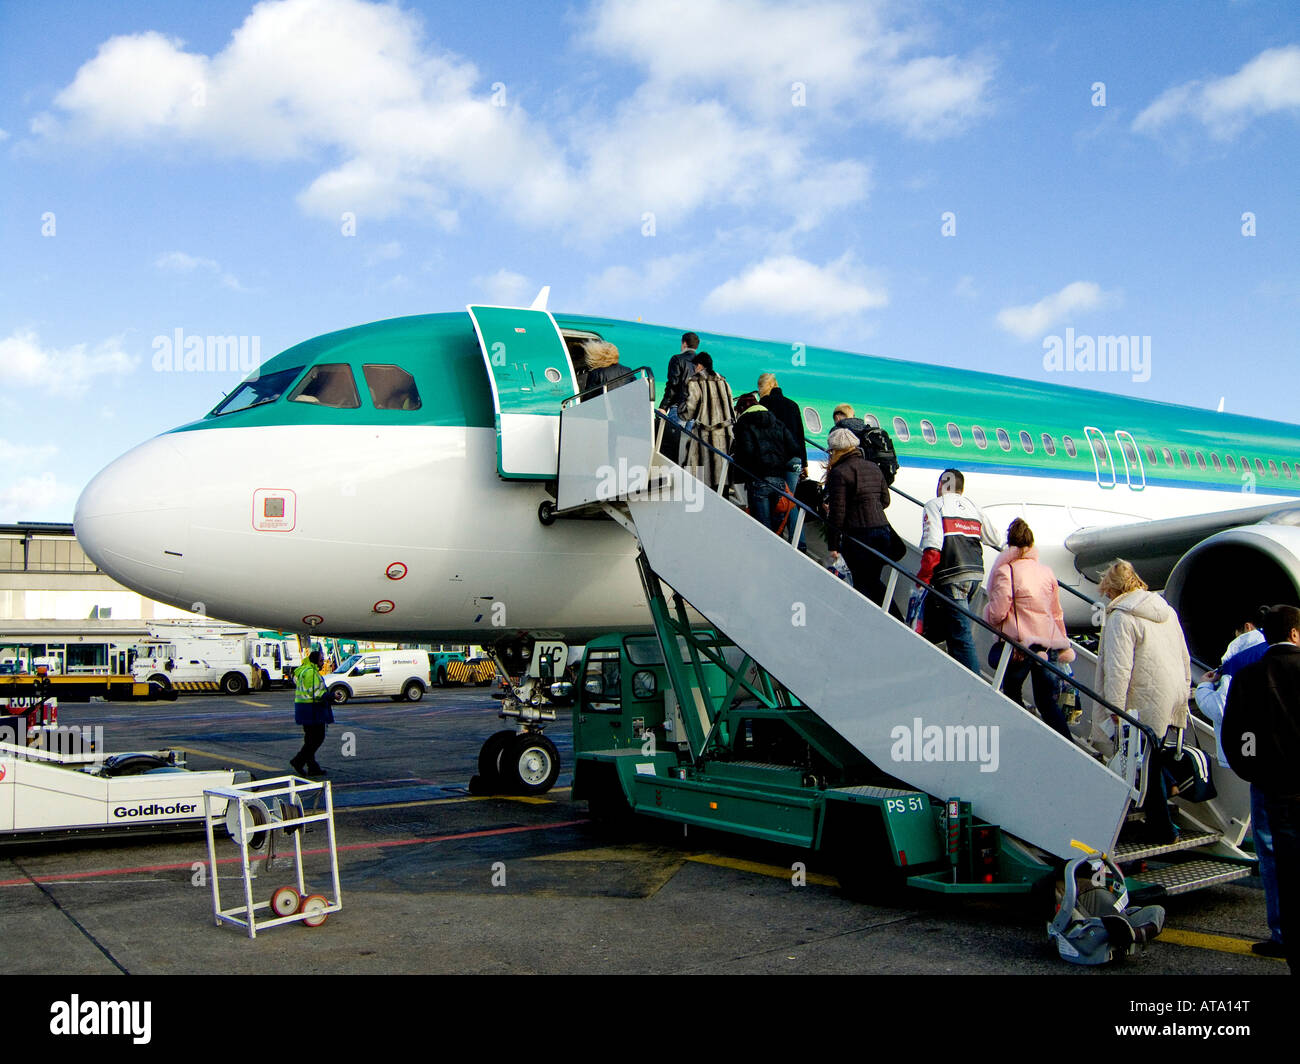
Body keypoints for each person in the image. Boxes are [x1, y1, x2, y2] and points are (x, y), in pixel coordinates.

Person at [1195, 610, 1281, 957]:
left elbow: (1226, 712)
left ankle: (1282, 934)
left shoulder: (1239, 664)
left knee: (1273, 855)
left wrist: (1203, 687)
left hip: (1268, 776)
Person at [1223, 604, 1300, 972]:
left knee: (1276, 860)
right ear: (1295, 634)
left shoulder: (1249, 677)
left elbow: (1241, 735)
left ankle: (1283, 932)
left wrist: (1253, 765)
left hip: (1272, 785)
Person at [1094, 559, 1192, 842]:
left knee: (1142, 763)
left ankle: (1164, 828)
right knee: (1154, 755)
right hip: (1170, 692)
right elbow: (1183, 655)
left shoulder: (1121, 616)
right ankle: (1169, 788)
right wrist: (1183, 691)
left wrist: (1115, 708)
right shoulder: (1167, 611)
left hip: (1143, 697)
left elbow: (1119, 668)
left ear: (1113, 590)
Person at [984, 518, 1075, 740]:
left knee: (1011, 693)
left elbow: (998, 611)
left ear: (1010, 543)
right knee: (1047, 702)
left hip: (1020, 646)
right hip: (1048, 643)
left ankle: (1021, 737)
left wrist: (987, 612)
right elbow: (1056, 612)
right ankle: (1065, 743)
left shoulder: (1007, 571)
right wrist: (1063, 642)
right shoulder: (1046, 572)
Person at [918, 469, 1001, 674]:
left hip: (952, 574)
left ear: (940, 485)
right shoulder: (973, 507)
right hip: (975, 575)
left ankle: (974, 683)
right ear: (961, 489)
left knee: (960, 635)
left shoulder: (934, 505)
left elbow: (933, 547)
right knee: (950, 628)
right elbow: (996, 539)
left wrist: (922, 579)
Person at [824, 426, 891, 605]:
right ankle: (892, 618)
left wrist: (833, 545)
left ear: (836, 451)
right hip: (883, 532)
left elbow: (837, 513)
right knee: (873, 579)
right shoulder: (873, 467)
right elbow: (885, 501)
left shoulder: (839, 472)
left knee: (861, 582)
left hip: (859, 534)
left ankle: (882, 619)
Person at [731, 391, 800, 532]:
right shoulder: (777, 422)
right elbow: (794, 448)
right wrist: (778, 461)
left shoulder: (743, 424)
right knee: (775, 530)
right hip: (779, 480)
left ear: (742, 409)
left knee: (762, 529)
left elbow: (747, 452)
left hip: (758, 479)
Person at [678, 352, 734, 489]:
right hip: (726, 437)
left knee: (702, 482)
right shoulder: (724, 381)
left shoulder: (695, 381)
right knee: (722, 483)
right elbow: (731, 409)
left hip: (706, 438)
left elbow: (689, 411)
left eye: (695, 367)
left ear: (699, 366)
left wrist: (680, 409)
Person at [291, 649, 333, 776]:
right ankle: (298, 761)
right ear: (315, 661)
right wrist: (331, 696)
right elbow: (316, 694)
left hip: (304, 709)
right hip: (312, 710)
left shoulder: (303, 670)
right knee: (317, 738)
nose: (323, 663)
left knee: (310, 739)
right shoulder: (311, 673)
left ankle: (312, 767)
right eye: (321, 660)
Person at [658, 332, 699, 457]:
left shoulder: (677, 359)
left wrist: (663, 407)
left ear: (684, 343)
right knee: (684, 453)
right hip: (694, 413)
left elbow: (673, 385)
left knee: (669, 448)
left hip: (679, 409)